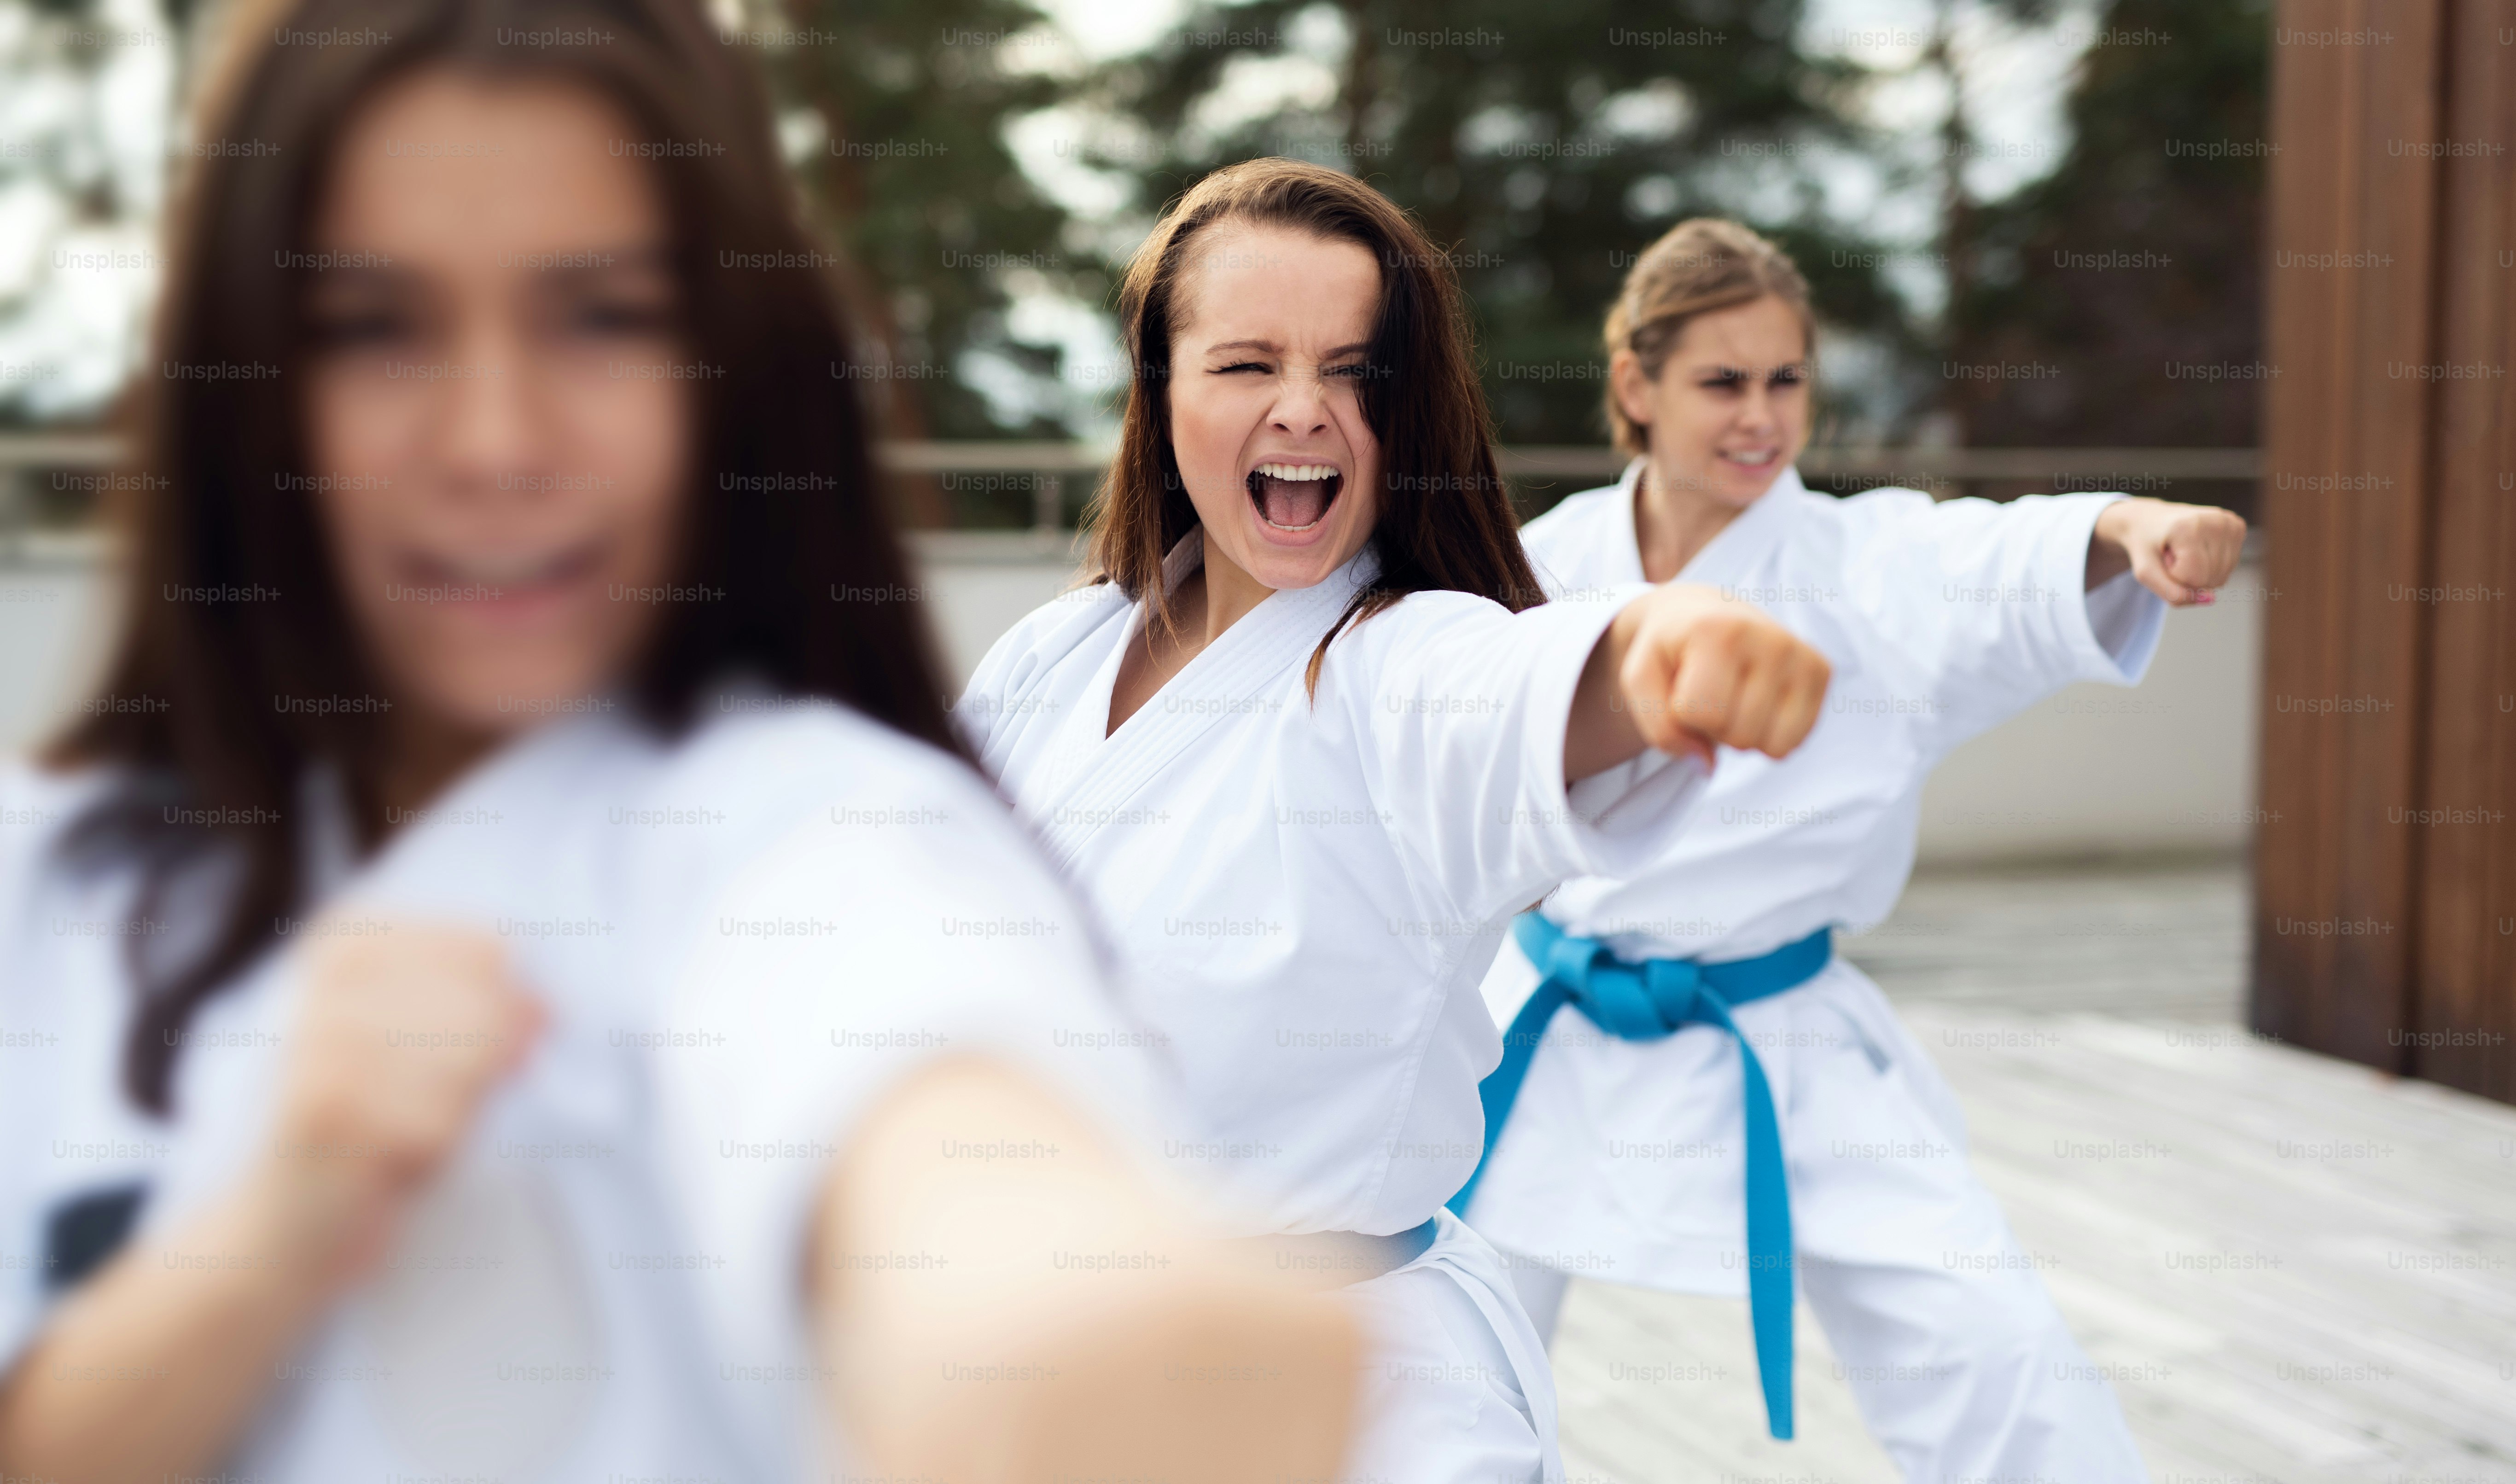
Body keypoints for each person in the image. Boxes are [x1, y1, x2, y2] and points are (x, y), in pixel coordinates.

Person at [0, 6, 1360, 1483]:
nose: (495, 441)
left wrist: (1072, 1335)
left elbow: (938, 1106)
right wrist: (275, 1221)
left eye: (603, 319)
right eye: (376, 327)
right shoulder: (56, 870)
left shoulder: (807, 821)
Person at [955, 160, 1835, 1484]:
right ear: (1161, 391)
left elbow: (1524, 688)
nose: (1306, 410)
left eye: (1358, 372)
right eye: (1247, 363)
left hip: (1347, 1402)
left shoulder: (1401, 663)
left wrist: (1666, 645)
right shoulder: (1054, 657)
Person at [1454, 218, 2247, 1483]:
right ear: (1635, 387)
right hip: (1538, 1025)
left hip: (1783, 1039)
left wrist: (2128, 526)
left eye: (1787, 380)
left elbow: (1992, 556)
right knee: (1439, 1363)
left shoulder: (1867, 563)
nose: (1762, 416)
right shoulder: (1536, 566)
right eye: (1723, 381)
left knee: (1992, 1345)